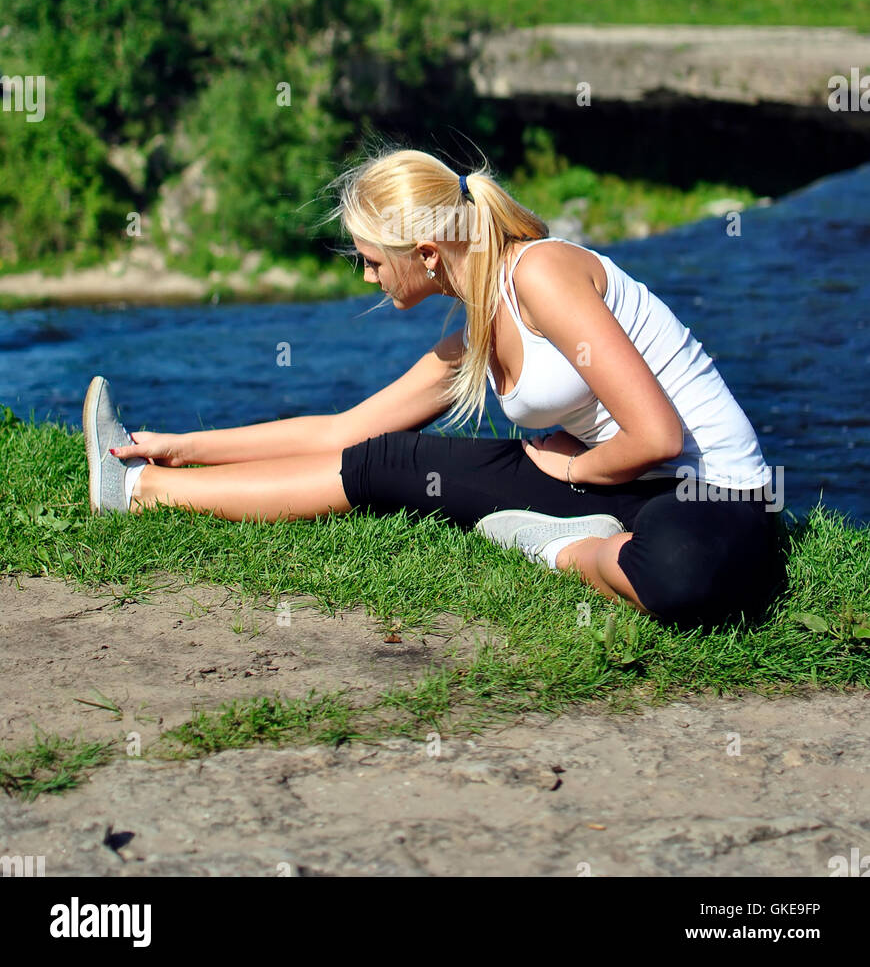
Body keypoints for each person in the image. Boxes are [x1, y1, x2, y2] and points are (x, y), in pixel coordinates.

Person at [90, 146, 788, 629]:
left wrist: (567, 465)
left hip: (710, 489)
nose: (367, 277)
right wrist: (185, 446)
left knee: (685, 576)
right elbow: (345, 430)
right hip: (617, 482)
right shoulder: (481, 322)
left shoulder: (542, 275)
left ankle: (561, 548)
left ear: (425, 254)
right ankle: (143, 491)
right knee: (383, 461)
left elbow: (657, 436)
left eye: (371, 261)